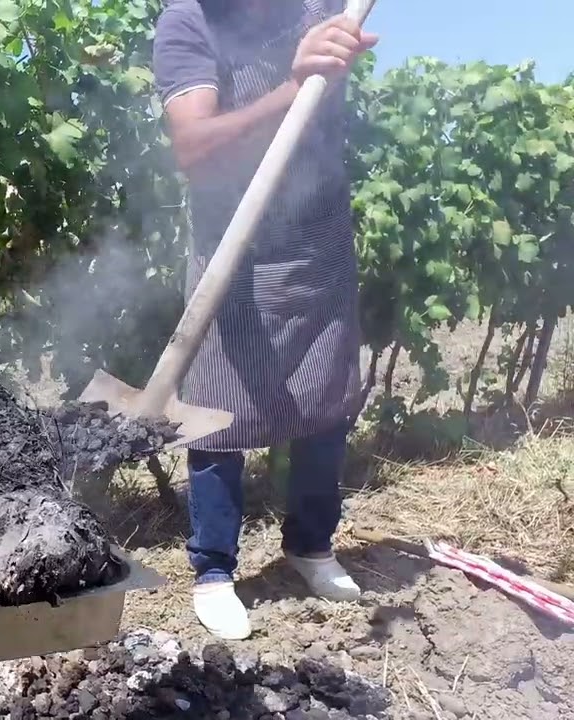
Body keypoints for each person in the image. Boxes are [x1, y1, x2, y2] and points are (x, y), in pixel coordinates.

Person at [151, 0, 379, 640]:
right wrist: (294, 82)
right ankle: (215, 570)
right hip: (238, 246)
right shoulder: (188, 23)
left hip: (320, 239)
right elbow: (193, 149)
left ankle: (310, 547)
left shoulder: (322, 6)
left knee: (326, 402)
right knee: (219, 412)